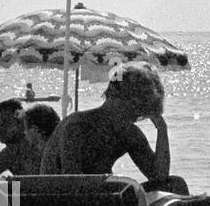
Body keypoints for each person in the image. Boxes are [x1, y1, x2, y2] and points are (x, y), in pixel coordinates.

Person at [39, 62, 173, 183]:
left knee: (175, 185)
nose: (136, 117)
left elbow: (159, 177)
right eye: (134, 109)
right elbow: (72, 181)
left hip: (96, 196)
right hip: (59, 198)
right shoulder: (76, 126)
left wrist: (162, 129)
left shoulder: (127, 132)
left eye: (141, 113)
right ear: (116, 98)